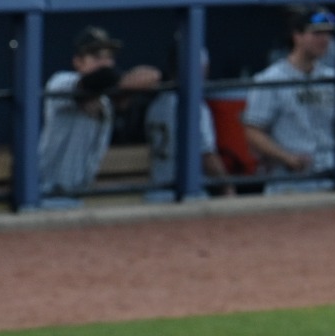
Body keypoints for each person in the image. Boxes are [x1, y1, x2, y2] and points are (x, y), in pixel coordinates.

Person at [40, 26, 160, 207]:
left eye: (109, 57)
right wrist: (121, 82)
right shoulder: (61, 82)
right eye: (96, 57)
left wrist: (124, 87)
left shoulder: (106, 98)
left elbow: (152, 76)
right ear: (78, 62)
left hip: (76, 195)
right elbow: (99, 79)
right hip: (45, 193)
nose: (104, 62)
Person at [243, 5, 335, 191]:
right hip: (289, 178)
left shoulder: (332, 78)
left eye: (328, 34)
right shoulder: (271, 79)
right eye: (317, 34)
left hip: (328, 173)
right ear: (298, 36)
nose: (325, 39)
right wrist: (286, 157)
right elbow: (252, 131)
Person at [144, 47, 227, 202]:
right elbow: (207, 156)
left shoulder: (155, 104)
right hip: (185, 197)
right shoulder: (193, 106)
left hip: (154, 195)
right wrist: (228, 187)